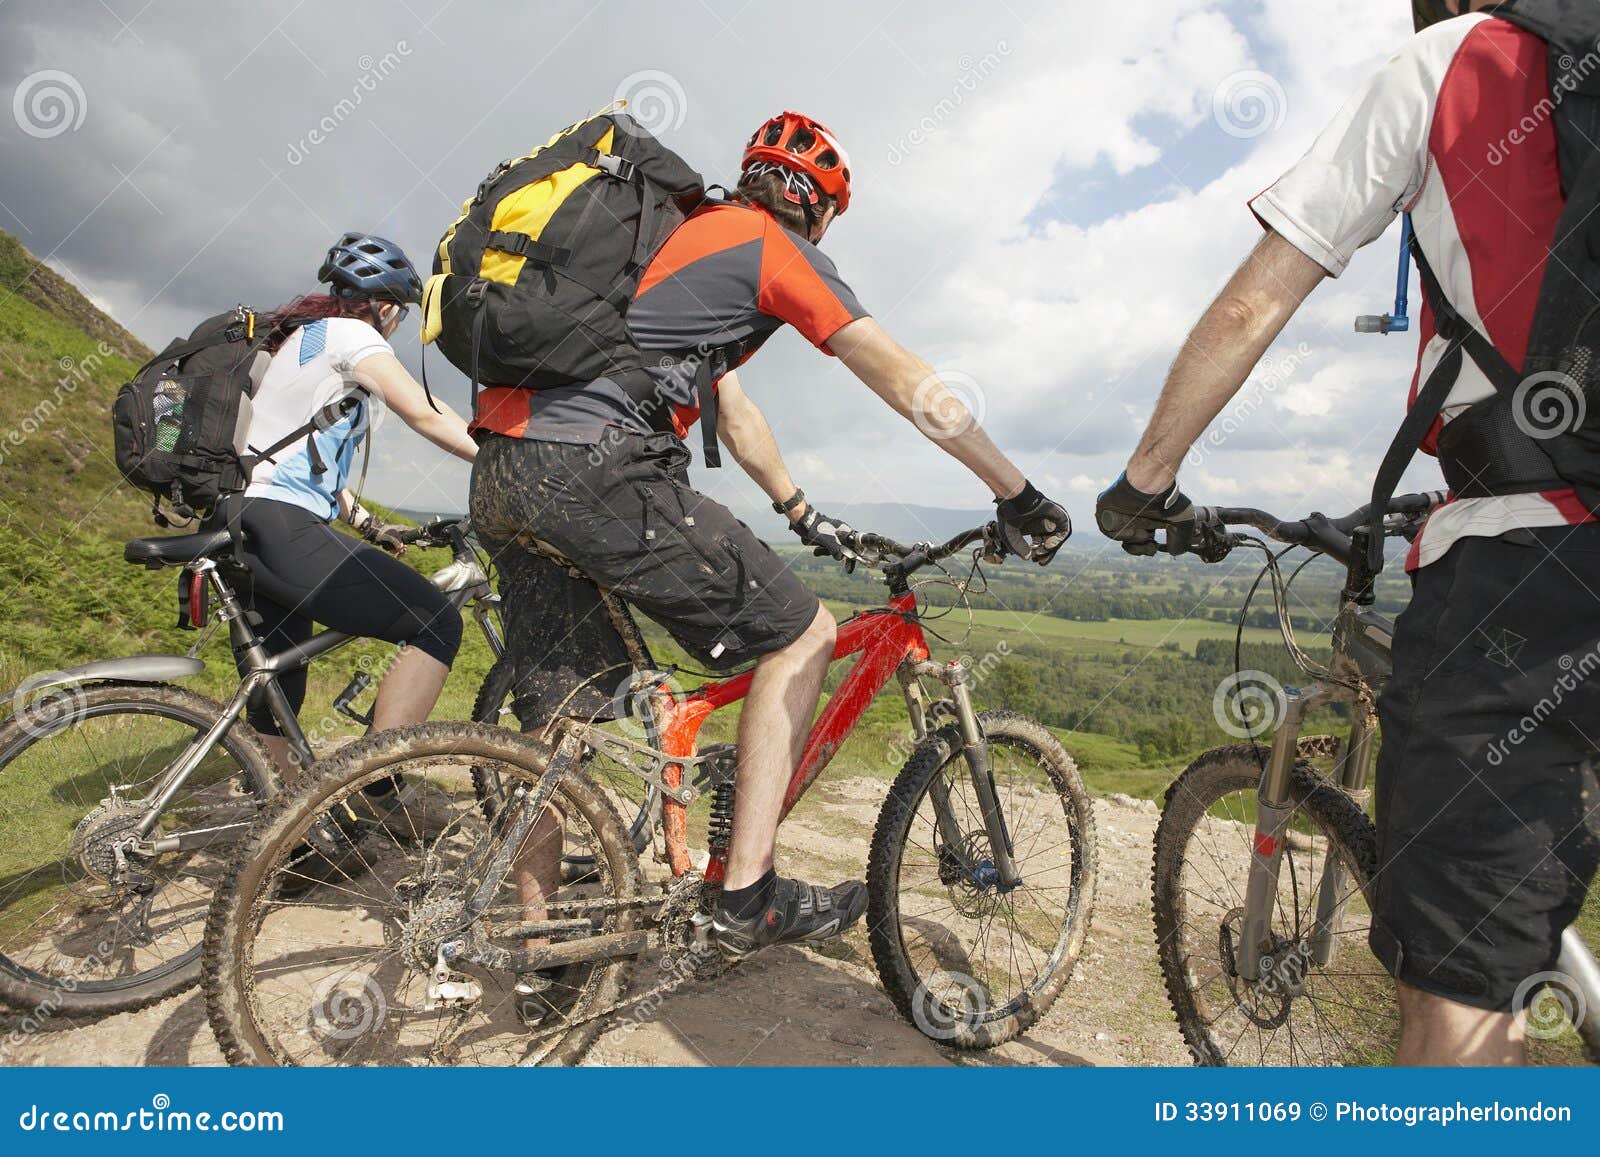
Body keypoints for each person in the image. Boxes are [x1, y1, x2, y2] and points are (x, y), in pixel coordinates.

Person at [1096, 1, 1600, 1064]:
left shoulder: (1455, 59)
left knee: (1464, 997)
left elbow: (1253, 302)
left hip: (1530, 557)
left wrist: (1144, 483)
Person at [468, 110, 1069, 992]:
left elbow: (734, 413)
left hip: (502, 472)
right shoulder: (762, 246)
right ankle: (745, 894)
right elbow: (895, 370)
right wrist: (1016, 490)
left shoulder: (676, 249)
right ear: (819, 210)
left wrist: (799, 510)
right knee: (801, 635)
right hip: (596, 470)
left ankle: (542, 952)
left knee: (558, 728)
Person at [237, 232, 478, 821]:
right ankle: (377, 789)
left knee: (280, 684)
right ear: (387, 305)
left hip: (245, 522)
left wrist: (368, 523)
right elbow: (420, 407)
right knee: (435, 622)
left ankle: (289, 834)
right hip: (282, 525)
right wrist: (497, 454)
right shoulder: (354, 335)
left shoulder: (302, 339)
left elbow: (293, 457)